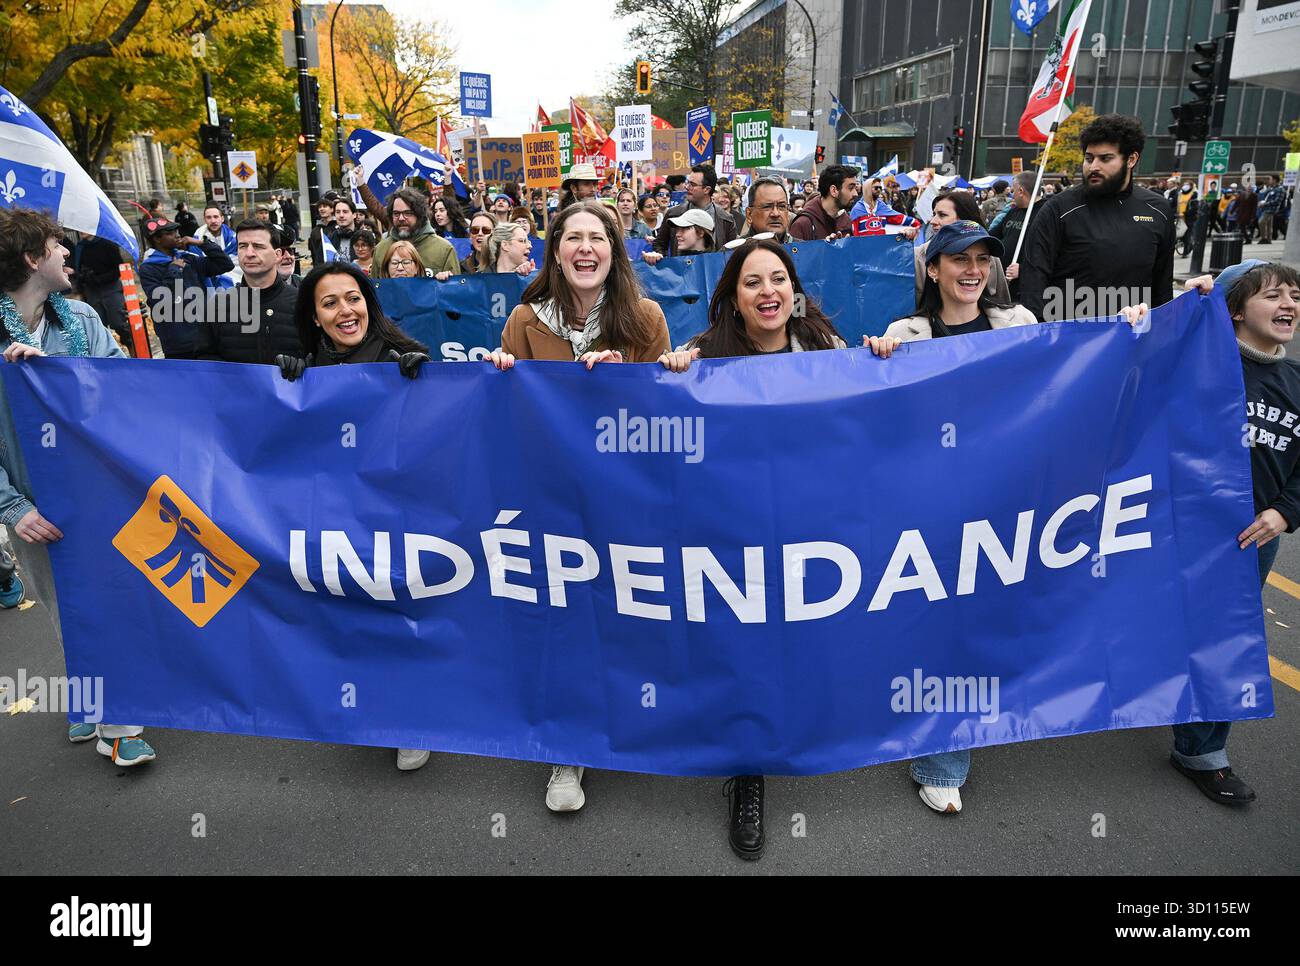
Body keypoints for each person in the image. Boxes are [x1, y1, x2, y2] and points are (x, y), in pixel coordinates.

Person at [658, 237, 847, 860]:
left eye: (778, 280)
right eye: (752, 283)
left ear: (794, 290)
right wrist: (673, 375)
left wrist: (884, 360)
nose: (768, 292)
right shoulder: (704, 356)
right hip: (733, 534)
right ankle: (749, 774)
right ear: (733, 300)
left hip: (811, 530)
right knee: (746, 646)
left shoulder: (827, 349)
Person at [863, 221, 1042, 814]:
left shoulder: (1020, 327)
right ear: (933, 270)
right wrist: (876, 364)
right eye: (958, 259)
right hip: (926, 508)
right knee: (940, 627)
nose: (973, 270)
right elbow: (878, 419)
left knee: (978, 623)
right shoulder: (904, 333)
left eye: (983, 260)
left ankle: (949, 745)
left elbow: (1079, 369)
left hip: (1001, 502)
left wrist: (1141, 326)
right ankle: (942, 759)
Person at [0, 207, 156, 766]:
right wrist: (12, 507)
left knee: (107, 606)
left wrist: (59, 380)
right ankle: (89, 699)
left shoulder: (83, 320)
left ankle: (119, 725)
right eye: (57, 245)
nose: (69, 253)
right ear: (30, 258)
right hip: (35, 509)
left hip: (98, 494)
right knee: (66, 611)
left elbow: (121, 393)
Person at [1020, 114, 1174, 322]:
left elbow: (1162, 289)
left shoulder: (1158, 209)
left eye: (1105, 158)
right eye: (1089, 158)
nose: (1093, 167)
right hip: (1069, 340)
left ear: (1131, 159)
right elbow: (1033, 283)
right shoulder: (1058, 208)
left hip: (1132, 340)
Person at [201, 220, 304, 365]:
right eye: (243, 246)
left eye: (258, 246)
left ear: (278, 255)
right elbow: (203, 357)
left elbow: (320, 355)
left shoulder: (303, 303)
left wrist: (303, 364)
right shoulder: (218, 306)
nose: (249, 253)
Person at [138, 215, 235, 359]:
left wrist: (200, 243)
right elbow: (162, 303)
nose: (177, 236)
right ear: (157, 239)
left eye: (177, 232)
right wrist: (174, 271)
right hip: (179, 345)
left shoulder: (188, 258)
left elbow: (225, 264)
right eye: (170, 233)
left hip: (207, 340)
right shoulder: (148, 268)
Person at [915, 190, 1011, 305]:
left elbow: (1003, 301)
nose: (933, 221)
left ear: (965, 219)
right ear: (932, 269)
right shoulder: (919, 256)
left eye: (942, 215)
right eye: (960, 259)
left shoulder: (991, 254)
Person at [371, 188, 459, 280]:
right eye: (396, 213)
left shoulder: (444, 249)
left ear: (419, 215)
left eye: (408, 213)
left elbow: (455, 290)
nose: (401, 218)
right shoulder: (381, 250)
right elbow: (373, 291)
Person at [69, 232, 135, 353]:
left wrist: (100, 278)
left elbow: (118, 269)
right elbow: (77, 269)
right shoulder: (80, 247)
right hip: (92, 291)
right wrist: (82, 279)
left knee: (119, 323)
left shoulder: (108, 244)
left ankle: (133, 349)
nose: (81, 232)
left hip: (111, 288)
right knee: (98, 325)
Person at [652, 162, 738, 256]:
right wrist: (664, 262)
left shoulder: (726, 219)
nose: (687, 187)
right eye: (687, 183)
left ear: (707, 189)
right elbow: (659, 244)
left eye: (692, 184)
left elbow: (732, 253)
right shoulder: (673, 214)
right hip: (681, 270)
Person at [989, 171, 1038, 298]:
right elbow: (994, 235)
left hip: (1024, 287)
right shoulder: (1014, 210)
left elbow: (1048, 254)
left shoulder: (1044, 213)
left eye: (1013, 190)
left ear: (1021, 191)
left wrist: (1023, 270)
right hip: (1003, 282)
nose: (1012, 194)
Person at [788, 164, 859, 241]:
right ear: (834, 190)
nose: (856, 194)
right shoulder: (803, 224)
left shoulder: (846, 222)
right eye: (851, 188)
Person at [741, 176, 791, 241]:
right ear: (749, 215)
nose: (776, 214)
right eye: (767, 207)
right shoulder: (734, 250)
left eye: (782, 206)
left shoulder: (803, 249)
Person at [456, 211, 497, 276]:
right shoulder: (462, 266)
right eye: (475, 230)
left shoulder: (503, 265)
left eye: (486, 230)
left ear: (495, 234)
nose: (480, 233)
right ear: (470, 234)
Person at [1258, 176, 1283, 245]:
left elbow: (1277, 201)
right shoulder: (1271, 188)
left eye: (1270, 179)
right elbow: (1266, 196)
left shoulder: (1280, 189)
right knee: (1269, 225)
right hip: (1267, 208)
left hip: (1271, 209)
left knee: (1261, 222)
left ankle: (1264, 238)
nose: (1269, 181)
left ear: (1274, 180)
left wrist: (1265, 204)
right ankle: (1268, 239)